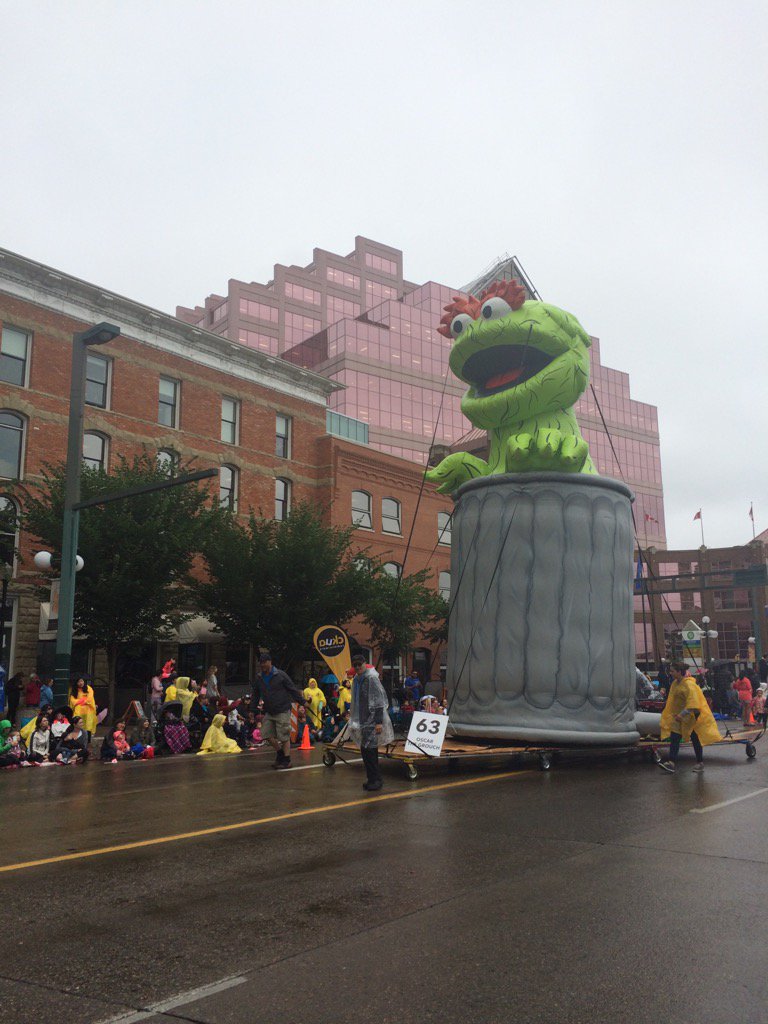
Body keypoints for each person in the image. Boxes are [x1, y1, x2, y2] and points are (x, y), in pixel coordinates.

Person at [658, 661, 721, 773]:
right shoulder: (675, 684)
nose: (670, 673)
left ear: (679, 672)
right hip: (679, 716)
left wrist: (682, 714)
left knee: (695, 738)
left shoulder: (689, 685)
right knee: (675, 738)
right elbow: (672, 700)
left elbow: (693, 704)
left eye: (672, 671)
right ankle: (671, 763)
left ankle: (700, 762)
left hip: (691, 716)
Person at [252, 652, 306, 770]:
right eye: (261, 663)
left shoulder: (280, 675)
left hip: (282, 709)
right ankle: (280, 753)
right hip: (269, 711)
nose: (262, 665)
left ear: (270, 662)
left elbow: (292, 689)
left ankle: (287, 759)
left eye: (264, 662)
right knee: (265, 734)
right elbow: (255, 694)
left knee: (284, 735)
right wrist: (253, 709)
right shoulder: (259, 677)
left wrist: (302, 701)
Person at [349, 653, 394, 792]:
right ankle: (372, 778)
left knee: (370, 751)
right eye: (355, 665)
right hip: (363, 720)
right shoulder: (358, 679)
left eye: (359, 664)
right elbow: (356, 701)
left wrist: (378, 722)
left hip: (372, 720)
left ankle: (375, 780)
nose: (357, 667)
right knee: (366, 751)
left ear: (364, 664)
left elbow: (379, 701)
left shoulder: (371, 679)